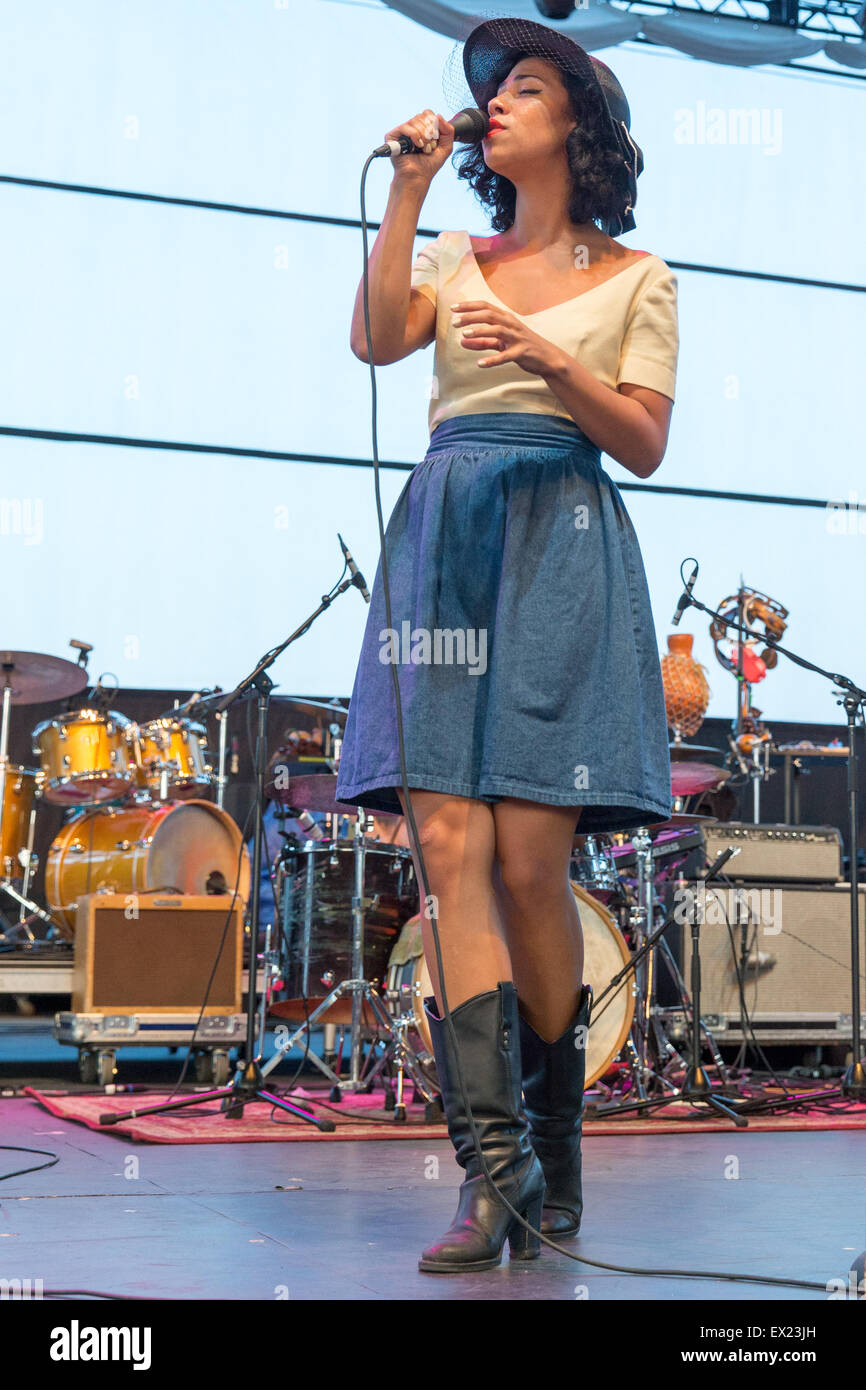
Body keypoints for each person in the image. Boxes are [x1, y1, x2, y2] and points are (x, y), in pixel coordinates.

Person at [335, 17, 678, 1273]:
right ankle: (492, 1174)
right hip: (445, 533)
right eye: (490, 92)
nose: (497, 103)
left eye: (525, 86)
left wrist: (542, 356)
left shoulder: (637, 276)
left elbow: (641, 441)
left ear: (575, 124)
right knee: (444, 845)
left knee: (532, 865)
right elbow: (376, 340)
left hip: (561, 539)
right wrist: (409, 191)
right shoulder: (452, 250)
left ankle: (557, 1142)